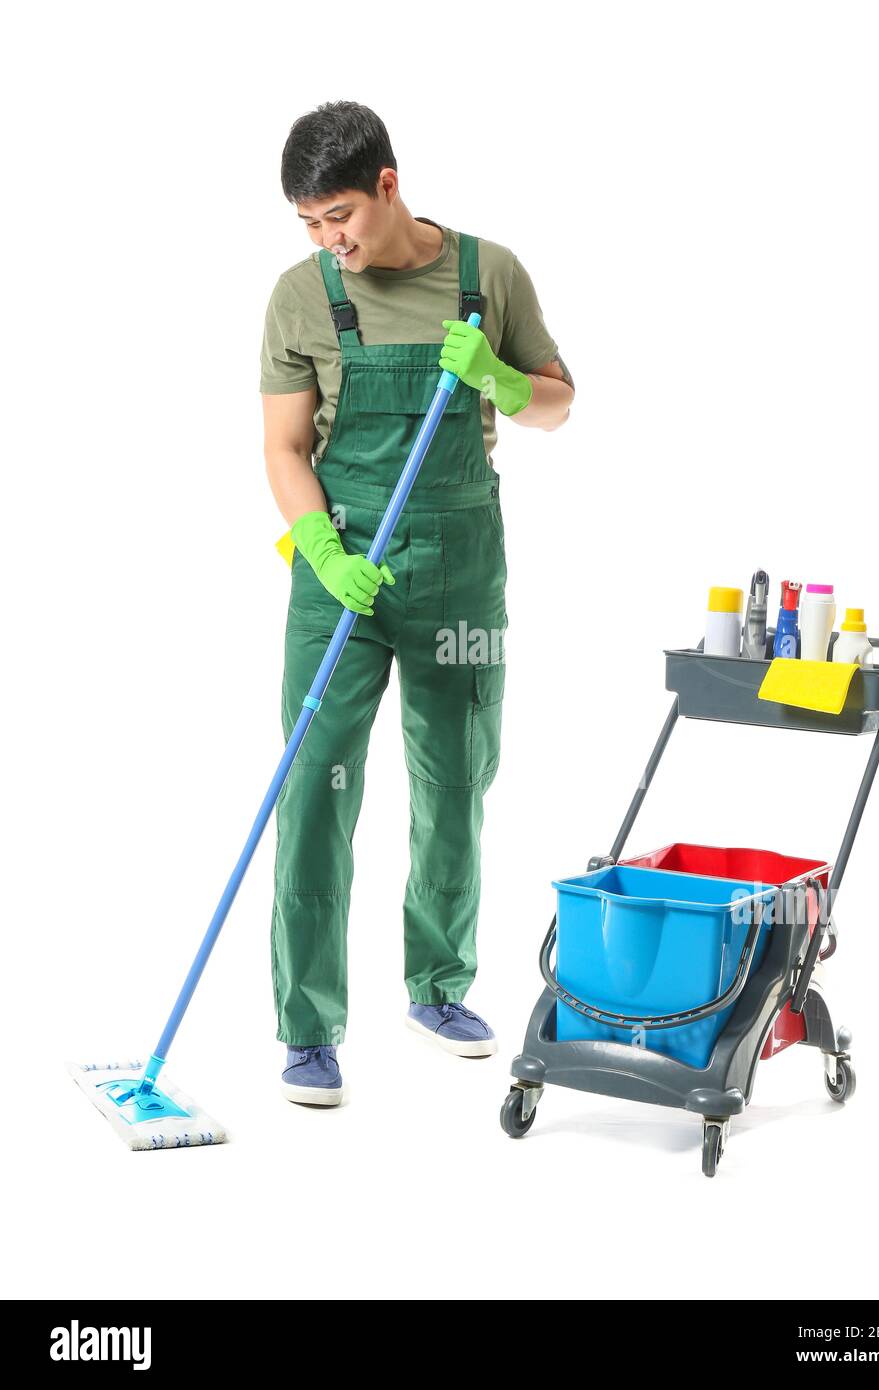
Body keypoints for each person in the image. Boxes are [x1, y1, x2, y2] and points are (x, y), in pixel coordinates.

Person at [260, 100, 574, 1106]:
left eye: (339, 215)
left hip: (459, 572)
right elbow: (283, 447)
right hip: (341, 575)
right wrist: (315, 542)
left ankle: (437, 986)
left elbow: (560, 402)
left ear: (388, 185)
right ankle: (308, 1028)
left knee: (455, 783)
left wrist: (497, 376)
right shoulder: (300, 298)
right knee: (316, 791)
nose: (329, 240)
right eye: (309, 222)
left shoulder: (489, 274)